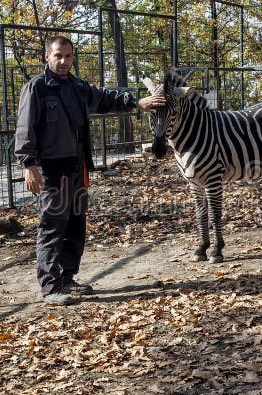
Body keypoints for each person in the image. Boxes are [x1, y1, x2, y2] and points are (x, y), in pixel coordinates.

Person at [15, 35, 165, 305]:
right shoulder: (36, 88)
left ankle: (67, 279)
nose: (63, 61)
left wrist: (136, 103)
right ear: (46, 57)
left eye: (68, 56)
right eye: (58, 56)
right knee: (52, 227)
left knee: (75, 225)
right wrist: (29, 165)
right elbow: (25, 130)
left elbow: (105, 98)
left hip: (78, 168)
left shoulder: (77, 87)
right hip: (52, 170)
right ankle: (50, 287)